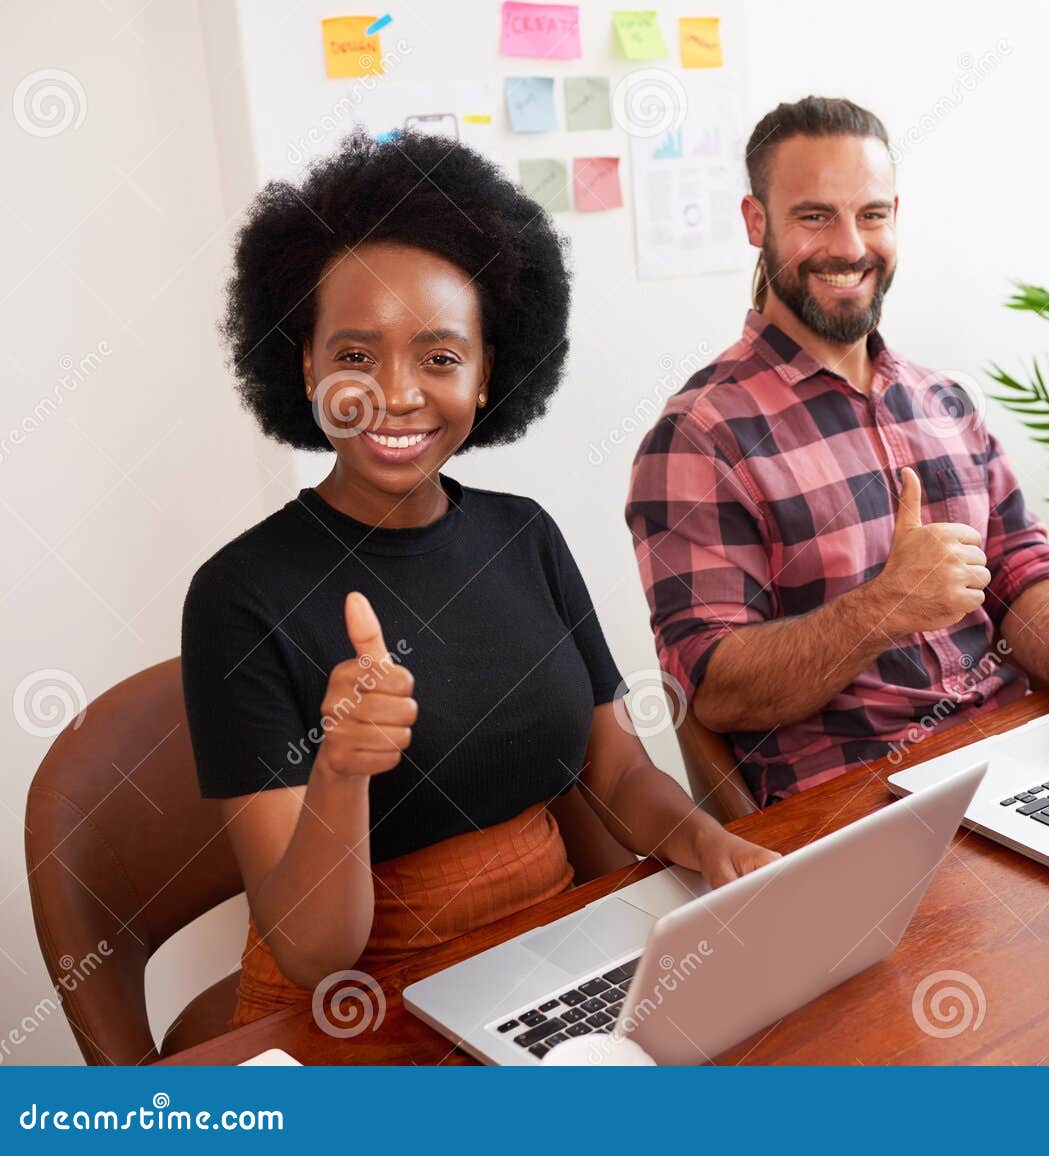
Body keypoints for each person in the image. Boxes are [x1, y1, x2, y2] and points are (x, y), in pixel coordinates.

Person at [184, 130, 777, 1029]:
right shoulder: (237, 596)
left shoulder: (523, 535)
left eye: (439, 357)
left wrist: (707, 843)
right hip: (357, 1012)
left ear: (487, 371)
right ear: (303, 362)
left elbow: (615, 775)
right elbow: (311, 952)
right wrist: (341, 770)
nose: (395, 392)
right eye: (353, 355)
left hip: (550, 961)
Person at [626, 97, 1049, 807]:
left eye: (871, 215)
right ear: (757, 222)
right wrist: (884, 607)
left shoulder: (943, 399)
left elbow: (1022, 566)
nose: (849, 246)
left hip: (1022, 754)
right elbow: (713, 687)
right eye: (814, 216)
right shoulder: (698, 436)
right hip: (862, 806)